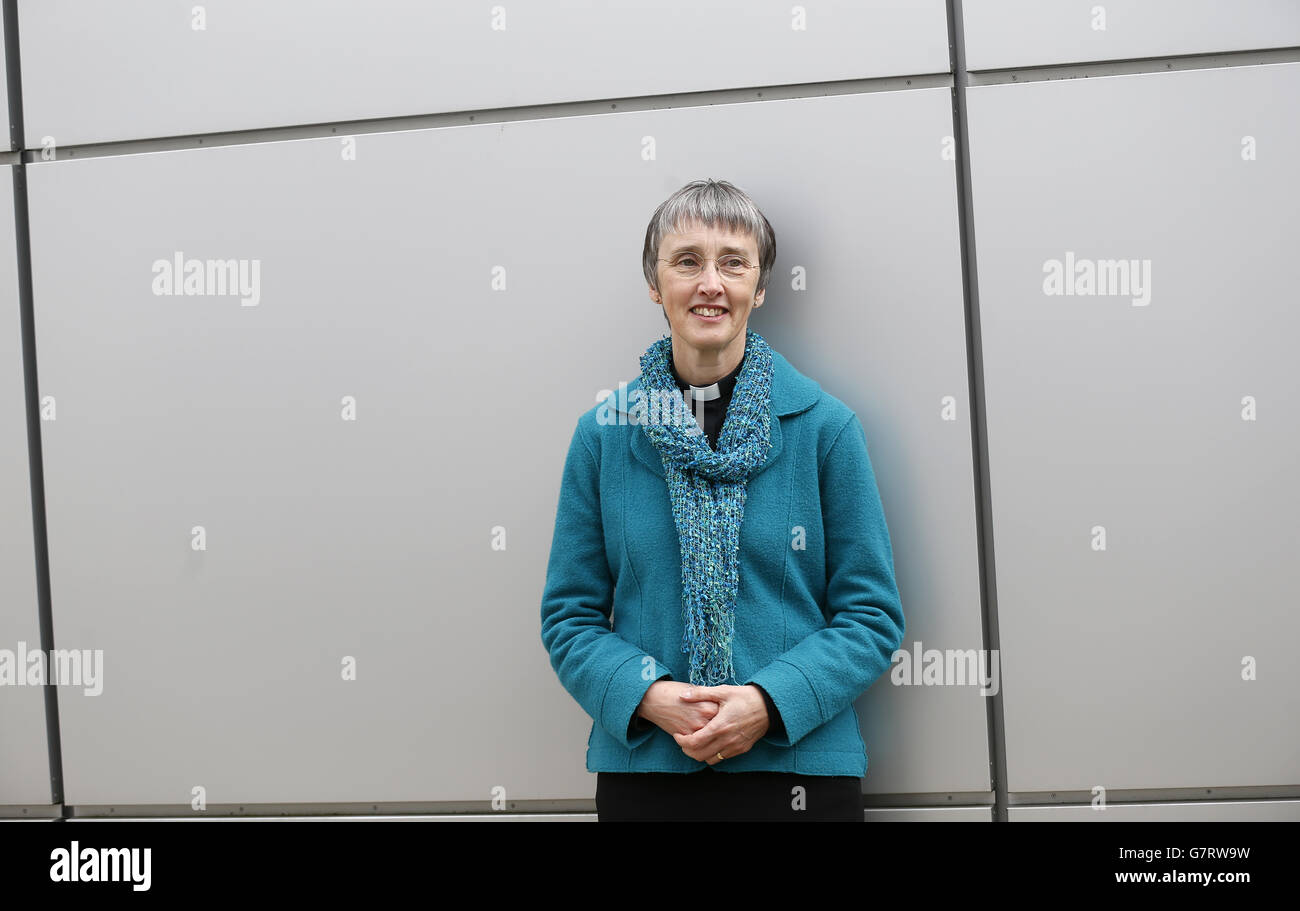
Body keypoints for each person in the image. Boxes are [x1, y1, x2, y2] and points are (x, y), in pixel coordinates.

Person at [540, 178, 904, 821]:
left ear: (759, 288)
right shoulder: (603, 436)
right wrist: (647, 694)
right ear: (655, 285)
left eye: (732, 262)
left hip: (799, 777)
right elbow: (569, 618)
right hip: (649, 775)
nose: (711, 282)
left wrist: (767, 703)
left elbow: (871, 618)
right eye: (687, 261)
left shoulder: (825, 429)